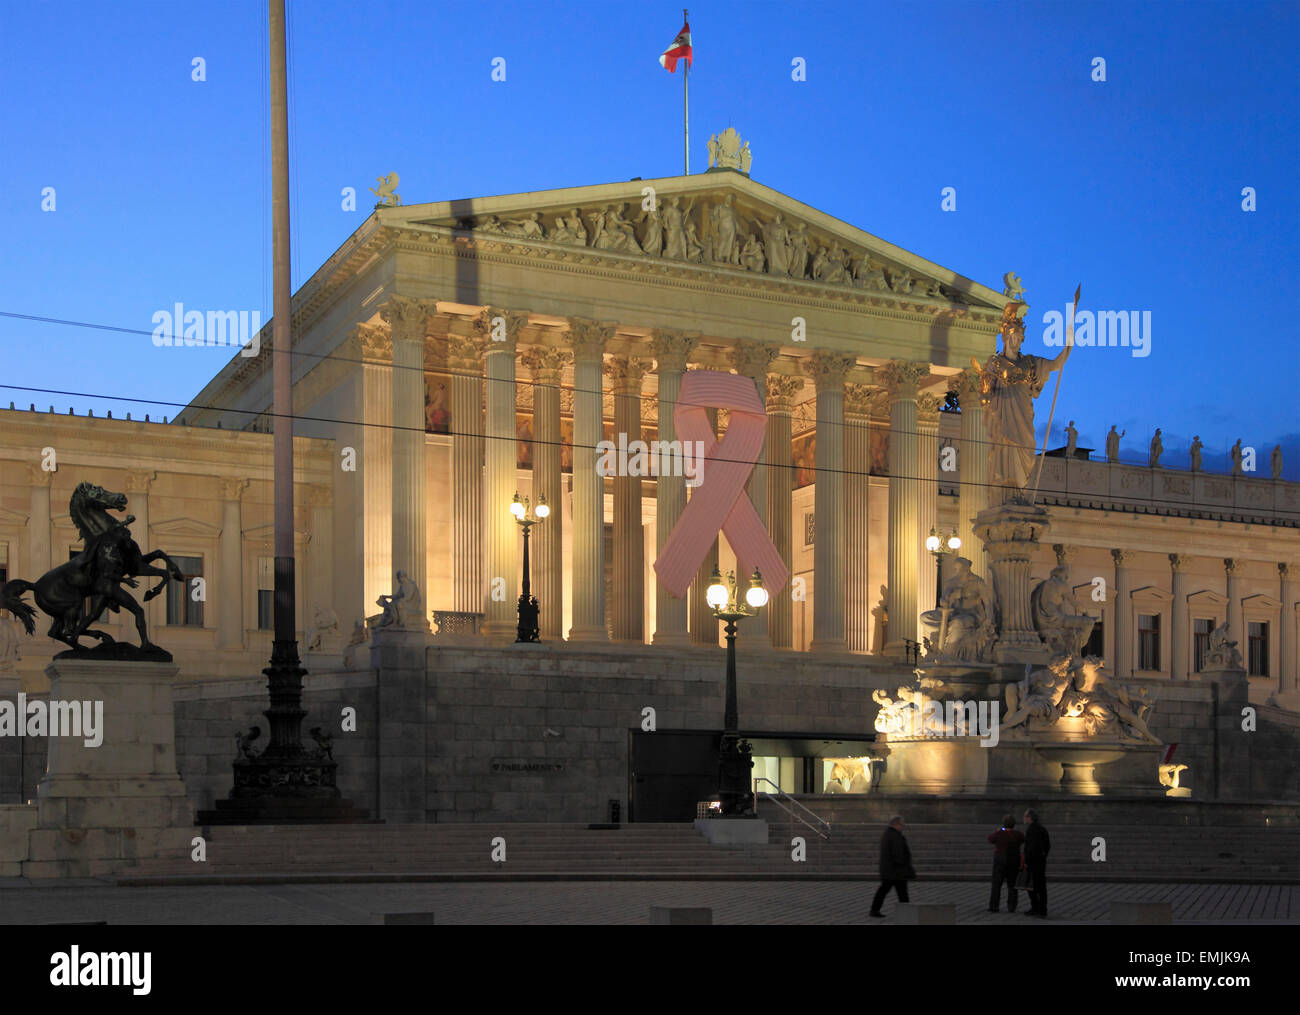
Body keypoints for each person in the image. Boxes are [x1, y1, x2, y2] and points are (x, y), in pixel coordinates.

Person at [870, 815, 915, 917]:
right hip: (895, 871)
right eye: (902, 825)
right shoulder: (894, 836)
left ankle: (875, 910)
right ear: (896, 824)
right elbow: (898, 853)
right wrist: (903, 865)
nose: (903, 827)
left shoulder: (889, 834)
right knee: (901, 892)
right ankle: (906, 912)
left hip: (891, 870)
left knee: (893, 891)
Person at [987, 814, 1025, 912]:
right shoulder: (1018, 834)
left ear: (1004, 823)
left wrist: (1002, 830)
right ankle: (1012, 906)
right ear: (1014, 824)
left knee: (996, 884)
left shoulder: (999, 833)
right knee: (1012, 884)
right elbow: (1023, 840)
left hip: (1000, 860)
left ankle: (994, 906)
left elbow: (990, 839)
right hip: (1013, 860)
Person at [1023, 807, 1051, 917]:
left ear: (1030, 818)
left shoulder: (1031, 830)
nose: (1024, 818)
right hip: (1041, 861)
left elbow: (1030, 847)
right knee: (1041, 887)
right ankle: (1042, 909)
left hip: (1033, 862)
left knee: (1032, 886)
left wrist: (1027, 861)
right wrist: (1044, 856)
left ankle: (1036, 908)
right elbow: (1048, 845)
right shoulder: (1042, 829)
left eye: (1025, 816)